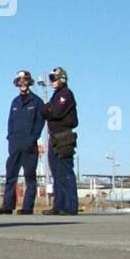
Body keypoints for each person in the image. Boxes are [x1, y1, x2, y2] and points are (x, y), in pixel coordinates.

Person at [0, 71, 46, 215]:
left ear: (29, 82)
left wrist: (32, 139)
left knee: (30, 177)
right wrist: (10, 137)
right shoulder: (15, 102)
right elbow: (10, 122)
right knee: (11, 175)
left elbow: (40, 123)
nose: (22, 84)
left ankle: (27, 207)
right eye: (20, 81)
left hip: (29, 146)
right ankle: (7, 206)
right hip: (15, 145)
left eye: (25, 81)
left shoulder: (37, 102)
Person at [42, 67, 79, 215]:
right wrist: (48, 110)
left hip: (64, 136)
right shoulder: (56, 95)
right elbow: (46, 112)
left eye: (53, 78)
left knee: (65, 171)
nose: (51, 82)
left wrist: (48, 110)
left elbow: (56, 112)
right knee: (56, 172)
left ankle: (71, 206)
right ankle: (59, 206)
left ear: (62, 78)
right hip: (54, 136)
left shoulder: (66, 94)